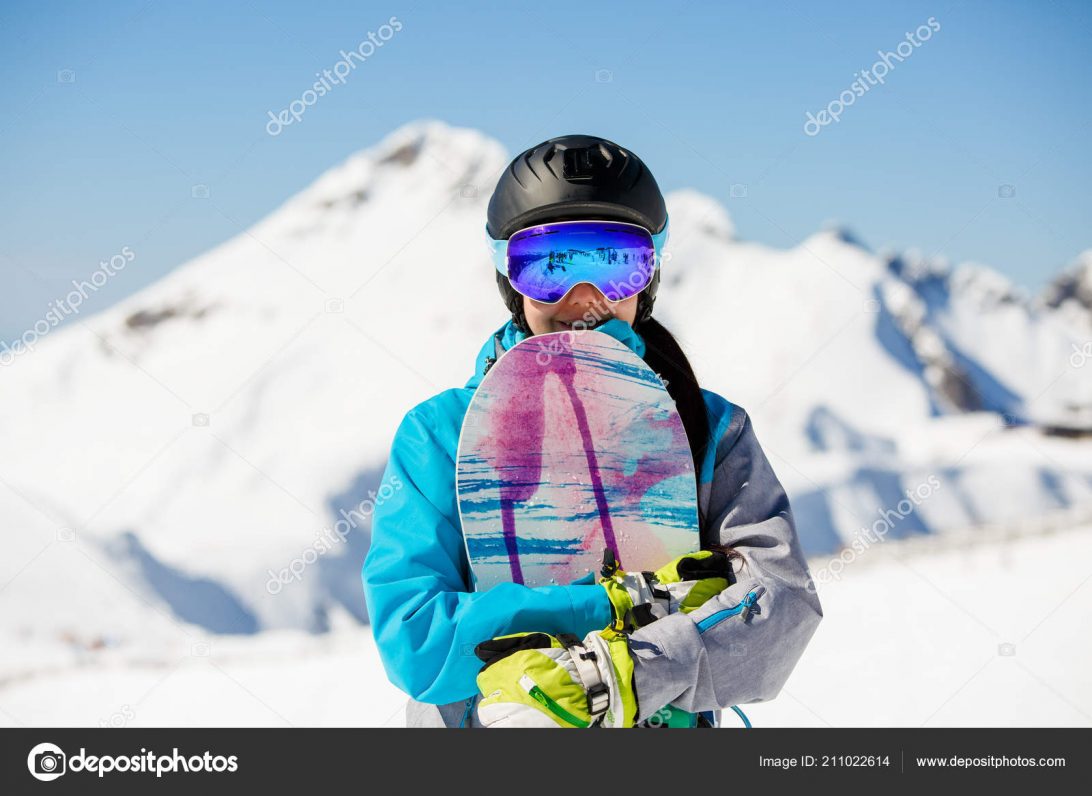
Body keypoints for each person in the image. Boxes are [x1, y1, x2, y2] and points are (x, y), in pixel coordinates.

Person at [362, 134, 822, 728]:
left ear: (648, 277)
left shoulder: (709, 428)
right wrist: (621, 605)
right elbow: (416, 641)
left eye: (613, 263)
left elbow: (781, 608)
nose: (584, 297)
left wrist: (630, 675)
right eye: (550, 266)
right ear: (509, 278)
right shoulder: (439, 435)